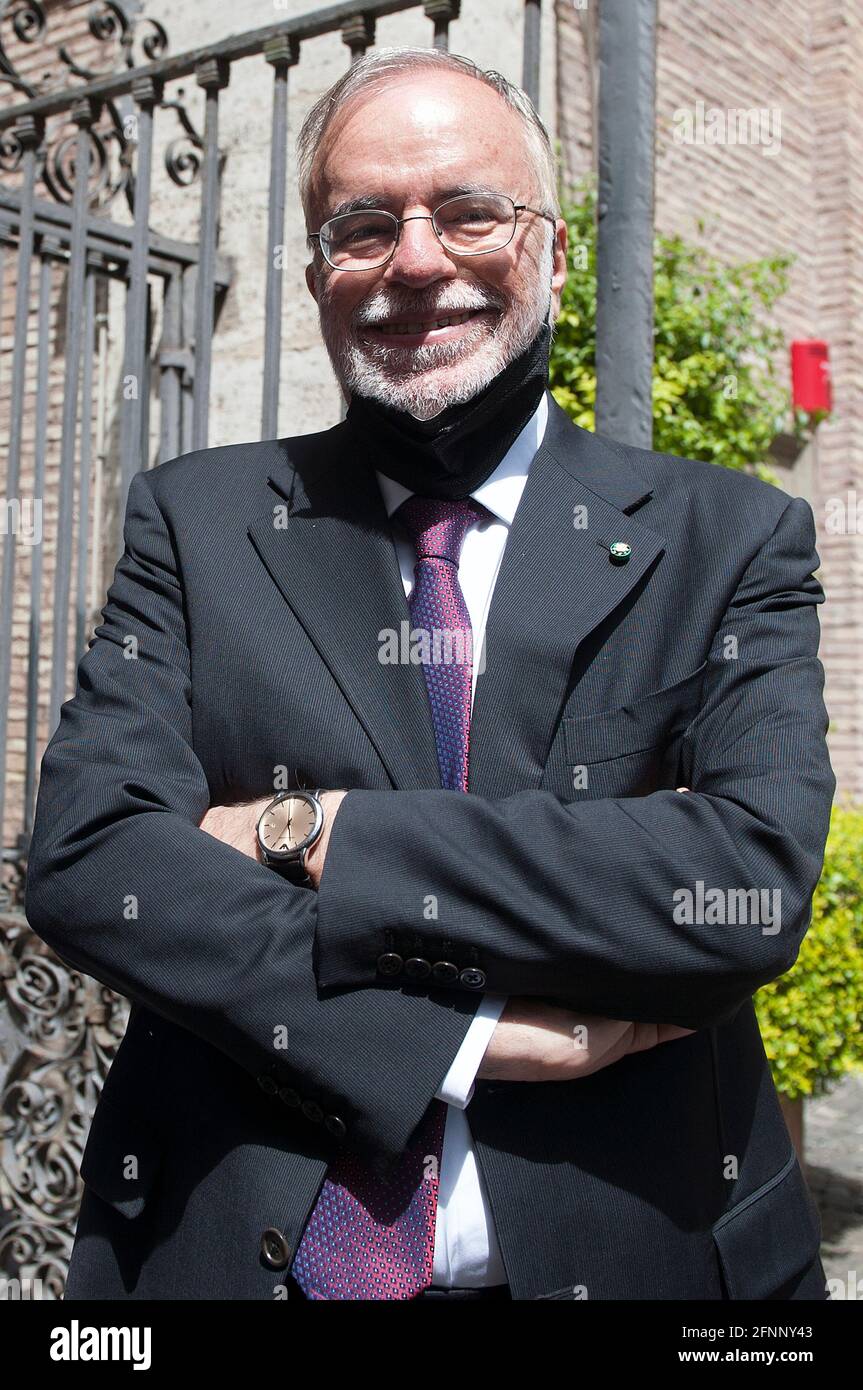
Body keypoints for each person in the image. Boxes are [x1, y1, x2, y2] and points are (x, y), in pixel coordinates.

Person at [25, 46, 834, 1301]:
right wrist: (446, 1039)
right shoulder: (199, 523)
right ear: (314, 279)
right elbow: (90, 856)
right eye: (363, 224)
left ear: (553, 250)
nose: (416, 258)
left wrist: (319, 832)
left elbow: (741, 881)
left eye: (469, 211)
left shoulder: (726, 540)